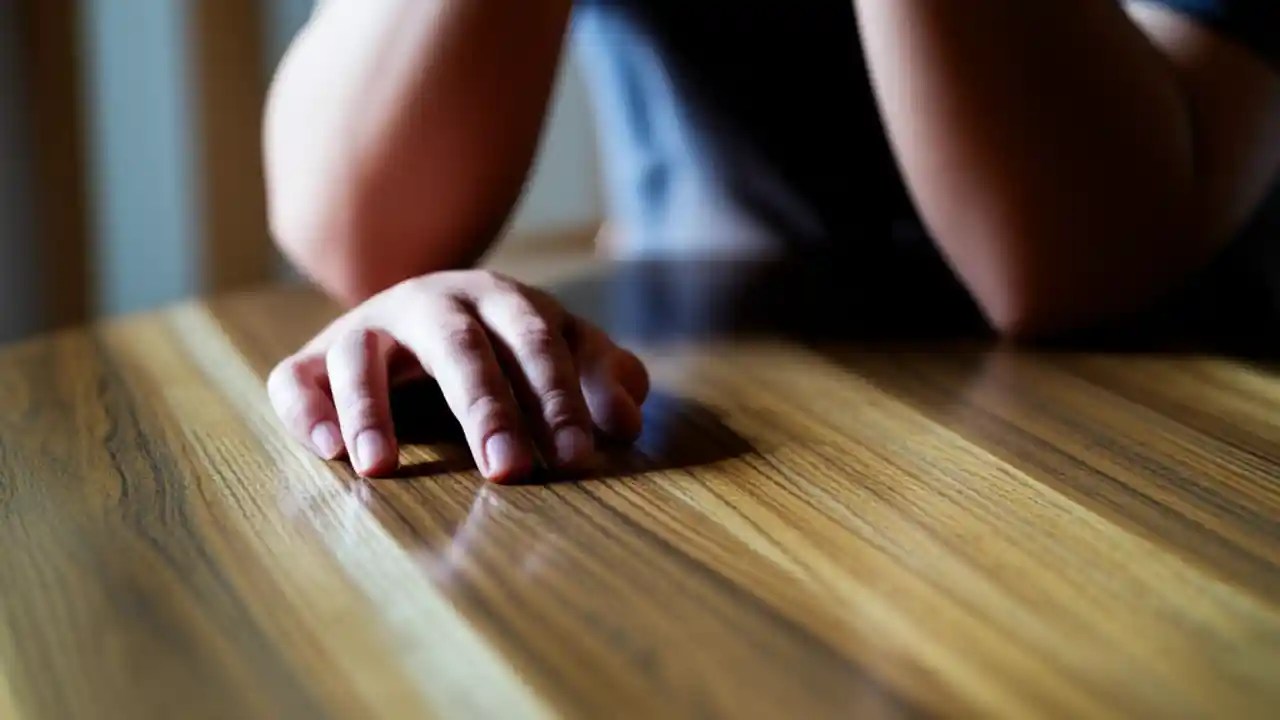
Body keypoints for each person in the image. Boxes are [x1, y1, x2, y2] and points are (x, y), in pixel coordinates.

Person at [262, 1, 1280, 481]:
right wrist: (432, 292)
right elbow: (360, 227)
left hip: (1180, 429)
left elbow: (1081, 258)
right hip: (702, 415)